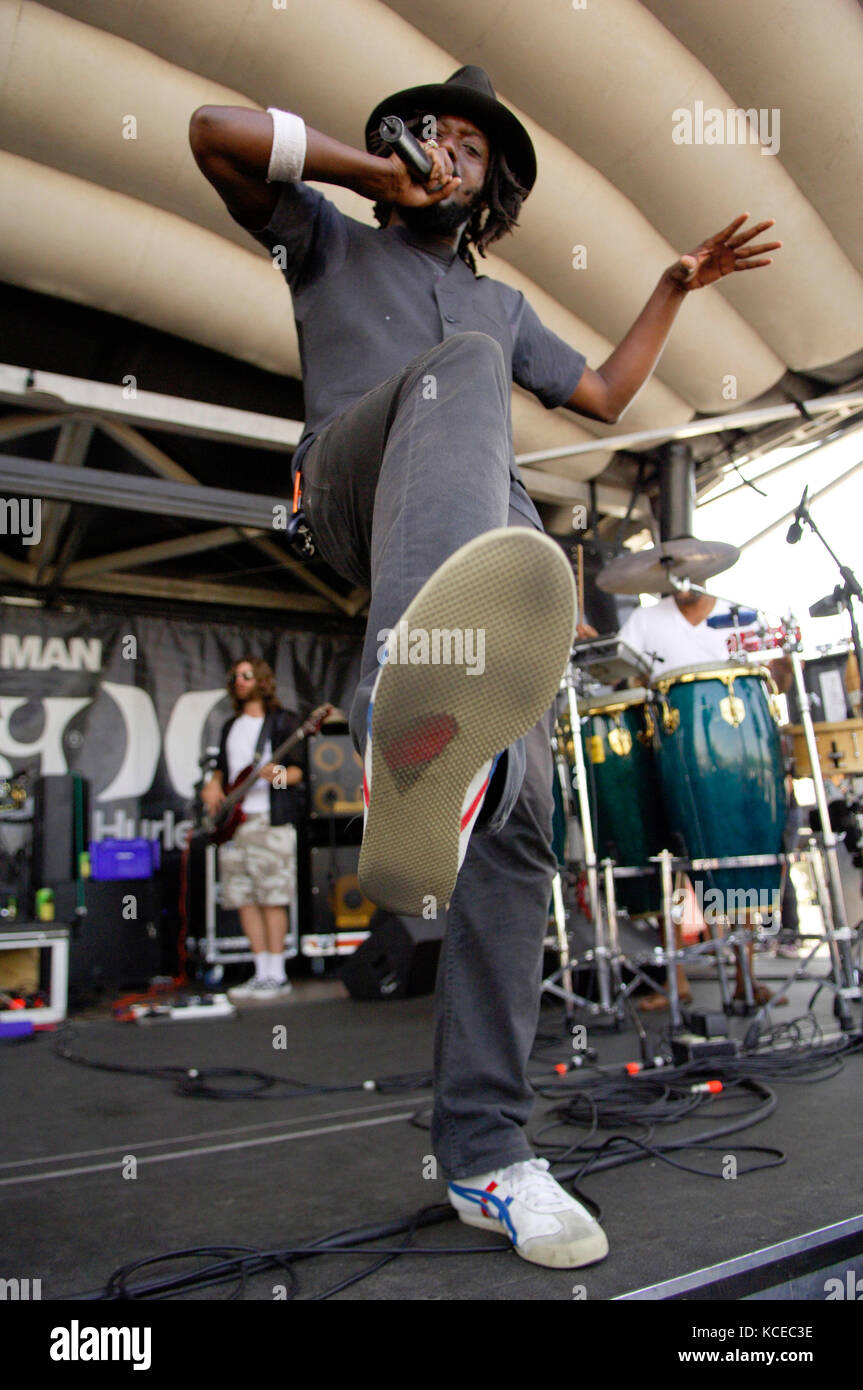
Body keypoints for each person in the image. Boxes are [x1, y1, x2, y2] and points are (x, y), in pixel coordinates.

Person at [189, 66, 779, 1268]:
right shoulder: (328, 238)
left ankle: (488, 1157)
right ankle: (408, 702)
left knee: (519, 829)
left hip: (472, 542)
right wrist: (371, 173)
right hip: (359, 484)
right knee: (455, 377)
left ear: (491, 189)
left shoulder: (498, 303)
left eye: (473, 153)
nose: (452, 160)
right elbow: (214, 135)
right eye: (436, 141)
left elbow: (607, 393)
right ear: (405, 149)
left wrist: (670, 286)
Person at [587, 589, 789, 1006]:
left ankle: (745, 977)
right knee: (670, 857)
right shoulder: (646, 619)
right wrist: (591, 647)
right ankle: (675, 981)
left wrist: (781, 666)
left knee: (733, 846)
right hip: (666, 743)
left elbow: (775, 678)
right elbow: (611, 675)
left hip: (734, 747)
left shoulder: (740, 611)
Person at [200, 658, 304, 1002]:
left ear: (261, 680)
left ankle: (278, 973)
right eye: (236, 676)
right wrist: (213, 785)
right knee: (243, 898)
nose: (240, 680)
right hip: (236, 826)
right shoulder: (230, 725)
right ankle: (260, 973)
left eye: (247, 675)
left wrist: (275, 775)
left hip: (268, 822)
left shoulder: (283, 721)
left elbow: (299, 772)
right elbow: (221, 769)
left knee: (272, 898)